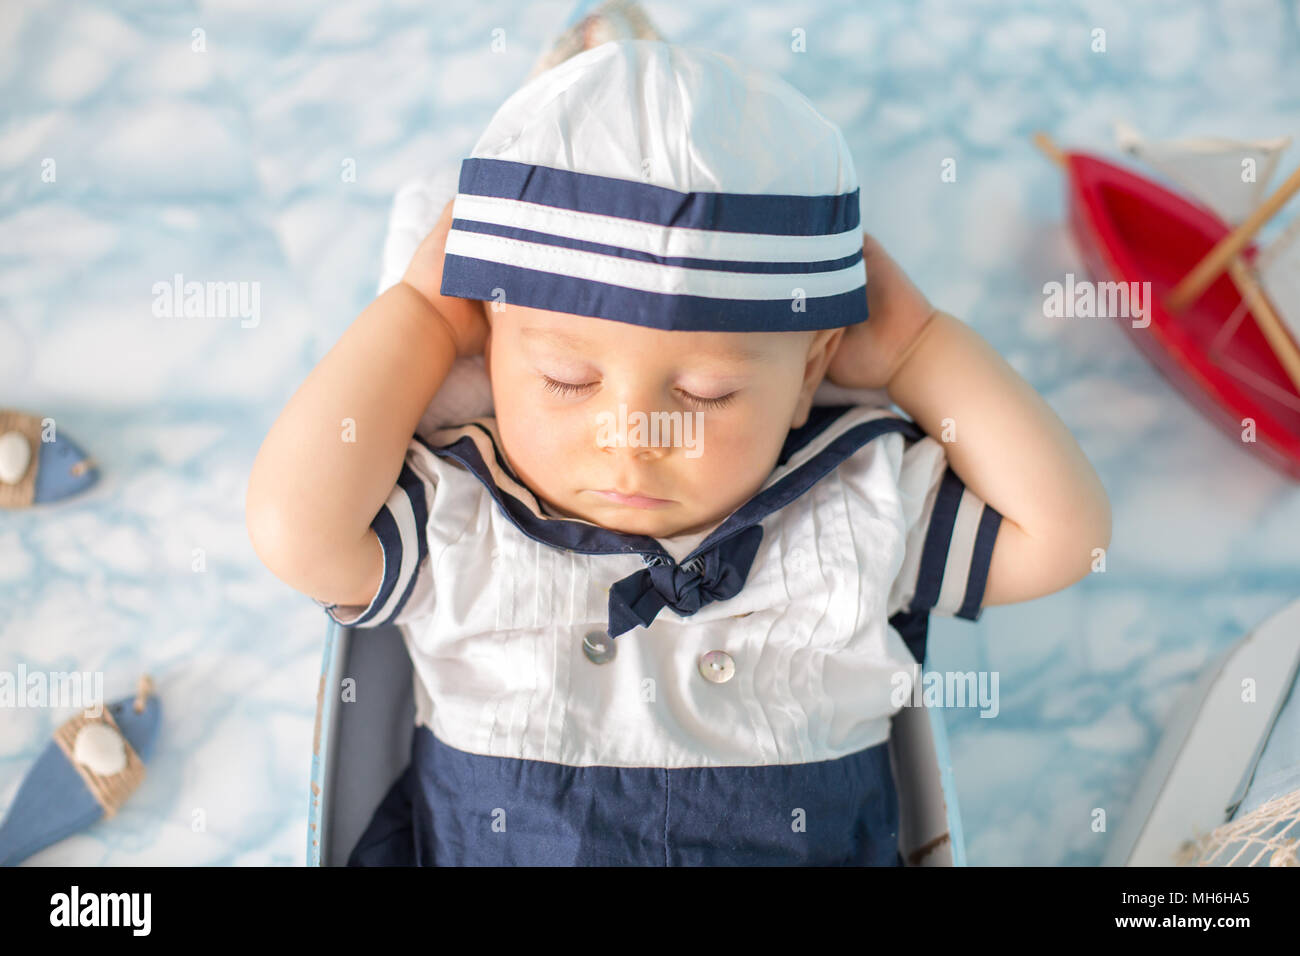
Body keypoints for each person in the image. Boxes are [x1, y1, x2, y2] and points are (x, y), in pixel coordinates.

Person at [246, 39, 1110, 866]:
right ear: (489, 348)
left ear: (811, 372)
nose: (632, 439)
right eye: (567, 378)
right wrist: (422, 319)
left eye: (705, 394)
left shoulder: (857, 501)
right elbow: (298, 531)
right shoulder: (465, 513)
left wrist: (921, 350)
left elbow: (1066, 536)